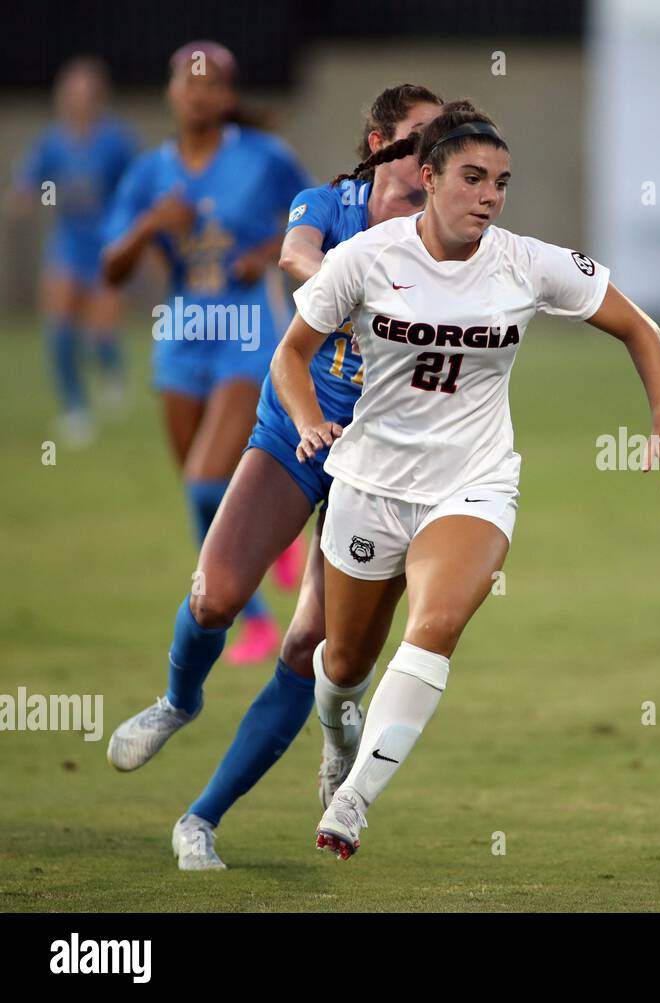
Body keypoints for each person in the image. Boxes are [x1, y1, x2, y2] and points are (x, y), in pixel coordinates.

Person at [271, 100, 660, 860]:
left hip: (471, 483)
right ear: (431, 176)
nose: (489, 196)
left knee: (437, 623)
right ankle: (339, 740)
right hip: (371, 482)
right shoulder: (367, 258)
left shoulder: (524, 261)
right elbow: (290, 353)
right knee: (341, 666)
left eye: (502, 182)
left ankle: (353, 802)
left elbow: (639, 325)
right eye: (472, 178)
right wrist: (310, 418)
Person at [105, 84, 443, 870]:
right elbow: (295, 257)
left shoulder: (447, 237)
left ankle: (201, 818)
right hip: (295, 430)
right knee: (216, 594)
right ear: (378, 141)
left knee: (312, 648)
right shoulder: (328, 204)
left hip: (382, 461)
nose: (433, 151)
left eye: (443, 137)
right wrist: (342, 281)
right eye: (419, 134)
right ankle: (177, 700)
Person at [102, 41, 312, 664]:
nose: (198, 94)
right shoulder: (148, 173)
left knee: (202, 483)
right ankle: (267, 556)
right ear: (171, 92)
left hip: (248, 334)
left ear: (227, 96)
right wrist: (148, 226)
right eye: (186, 83)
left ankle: (249, 620)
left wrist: (270, 248)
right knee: (196, 483)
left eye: (211, 84)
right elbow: (111, 271)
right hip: (180, 334)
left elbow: (318, 216)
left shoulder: (266, 157)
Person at [9, 56, 136, 445]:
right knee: (60, 331)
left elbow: (137, 189)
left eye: (84, 94)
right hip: (67, 248)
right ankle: (76, 409)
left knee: (100, 333)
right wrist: (23, 199)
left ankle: (113, 371)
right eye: (70, 93)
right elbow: (29, 182)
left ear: (97, 98)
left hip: (106, 248)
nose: (76, 101)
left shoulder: (116, 141)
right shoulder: (52, 141)